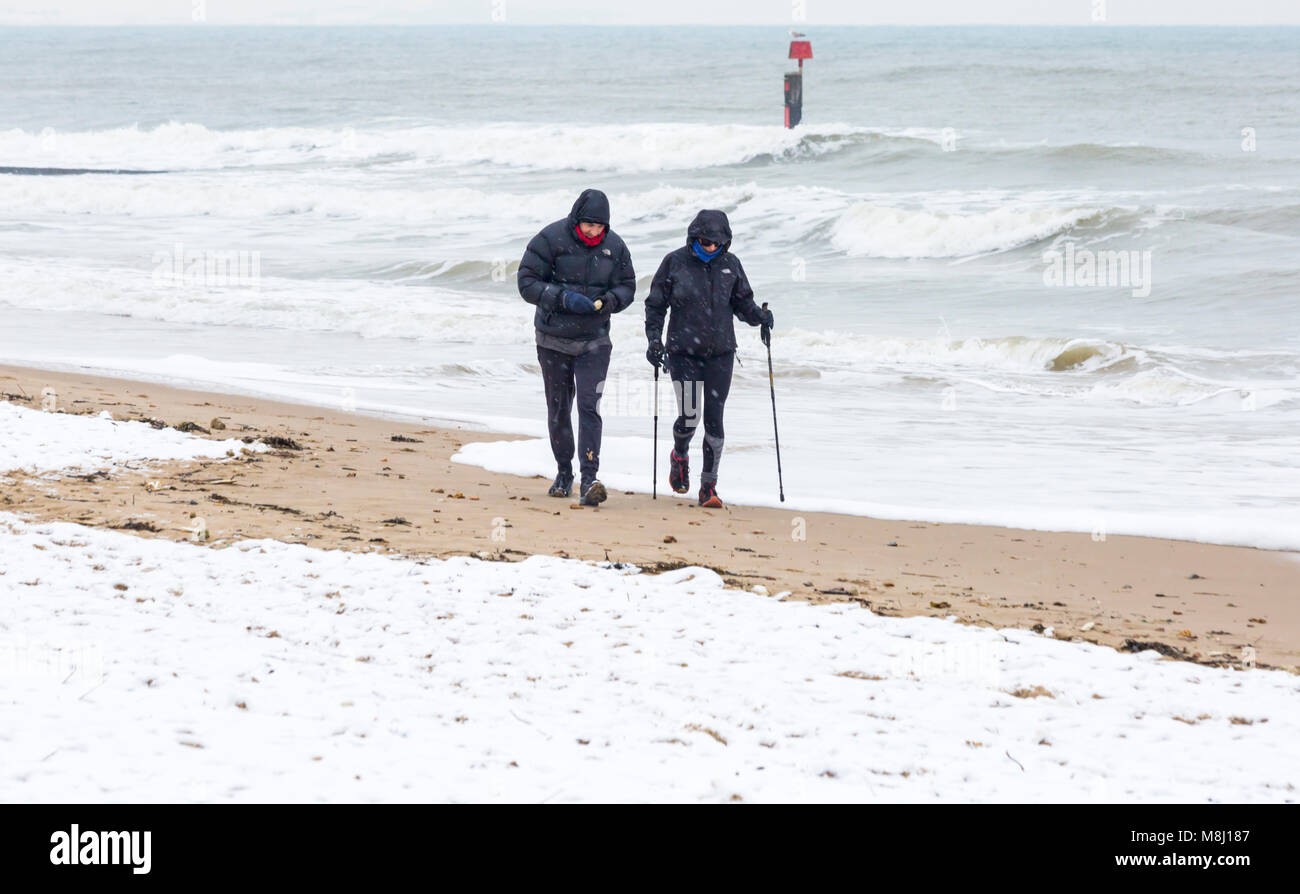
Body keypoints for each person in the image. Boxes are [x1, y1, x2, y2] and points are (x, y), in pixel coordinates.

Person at [644, 209, 773, 508]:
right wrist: (654, 340)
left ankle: (708, 488)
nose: (711, 247)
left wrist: (761, 318)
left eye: (717, 242)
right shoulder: (674, 262)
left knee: (715, 420)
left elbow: (743, 304)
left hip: (721, 354)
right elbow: (655, 305)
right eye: (705, 241)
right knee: (690, 417)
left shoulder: (731, 265)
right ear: (694, 237)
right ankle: (680, 454)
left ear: (725, 241)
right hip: (683, 353)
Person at [517, 188, 636, 505]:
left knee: (589, 406)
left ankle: (589, 478)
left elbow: (627, 286)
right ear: (576, 220)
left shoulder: (615, 247)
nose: (594, 232)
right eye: (588, 225)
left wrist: (611, 301)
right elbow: (526, 281)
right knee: (558, 408)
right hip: (552, 339)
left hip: (595, 340)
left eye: (599, 227)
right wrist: (562, 298)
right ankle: (563, 472)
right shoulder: (550, 238)